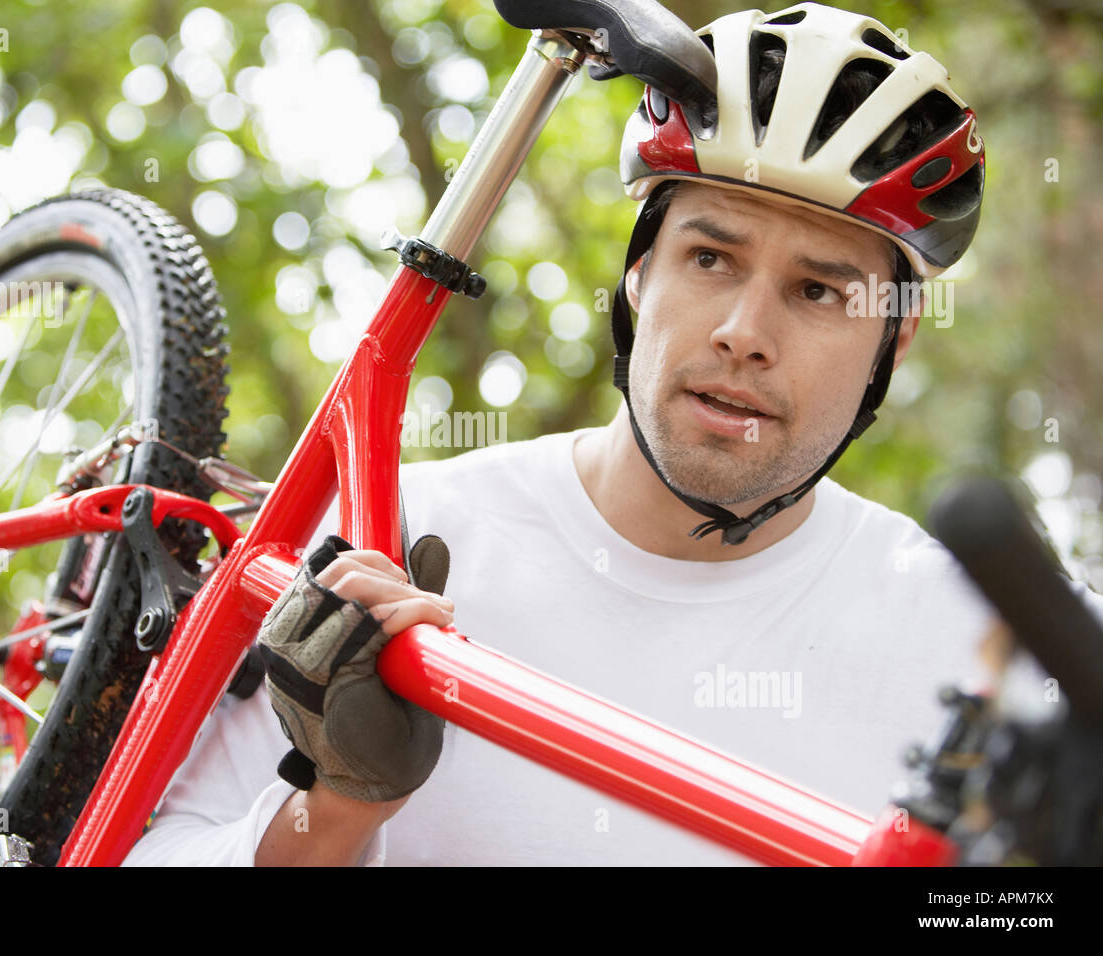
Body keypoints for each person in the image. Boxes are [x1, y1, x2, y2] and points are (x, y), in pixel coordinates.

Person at [122, 3, 1092, 866]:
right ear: (637, 274)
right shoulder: (392, 534)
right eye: (710, 255)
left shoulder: (972, 639)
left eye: (817, 290)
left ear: (893, 337)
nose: (743, 334)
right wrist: (333, 806)